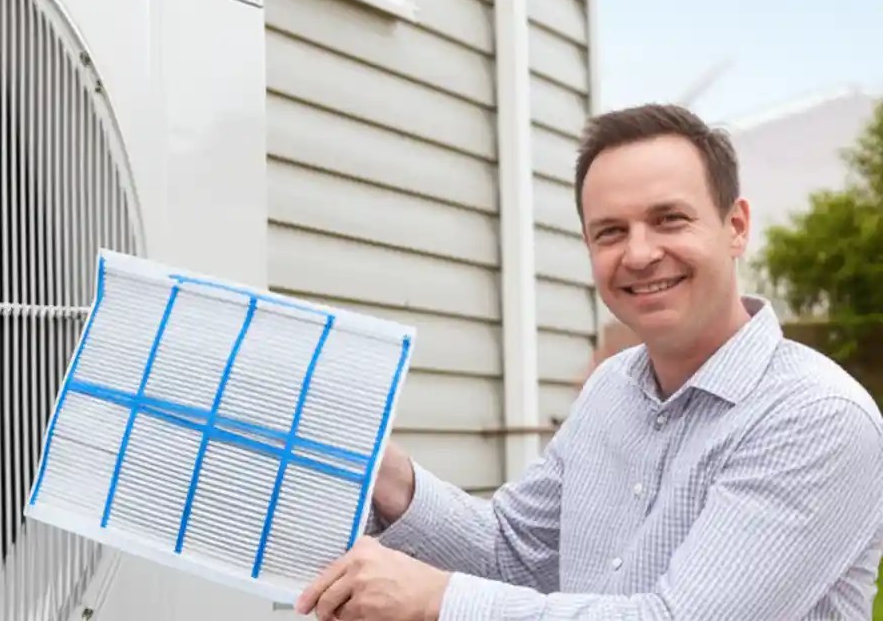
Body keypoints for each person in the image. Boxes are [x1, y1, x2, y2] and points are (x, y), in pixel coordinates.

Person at [294, 103, 883, 620]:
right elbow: (510, 552)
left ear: (735, 227)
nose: (641, 253)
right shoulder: (611, 389)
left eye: (668, 219)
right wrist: (381, 469)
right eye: (610, 232)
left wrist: (439, 600)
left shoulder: (817, 418)